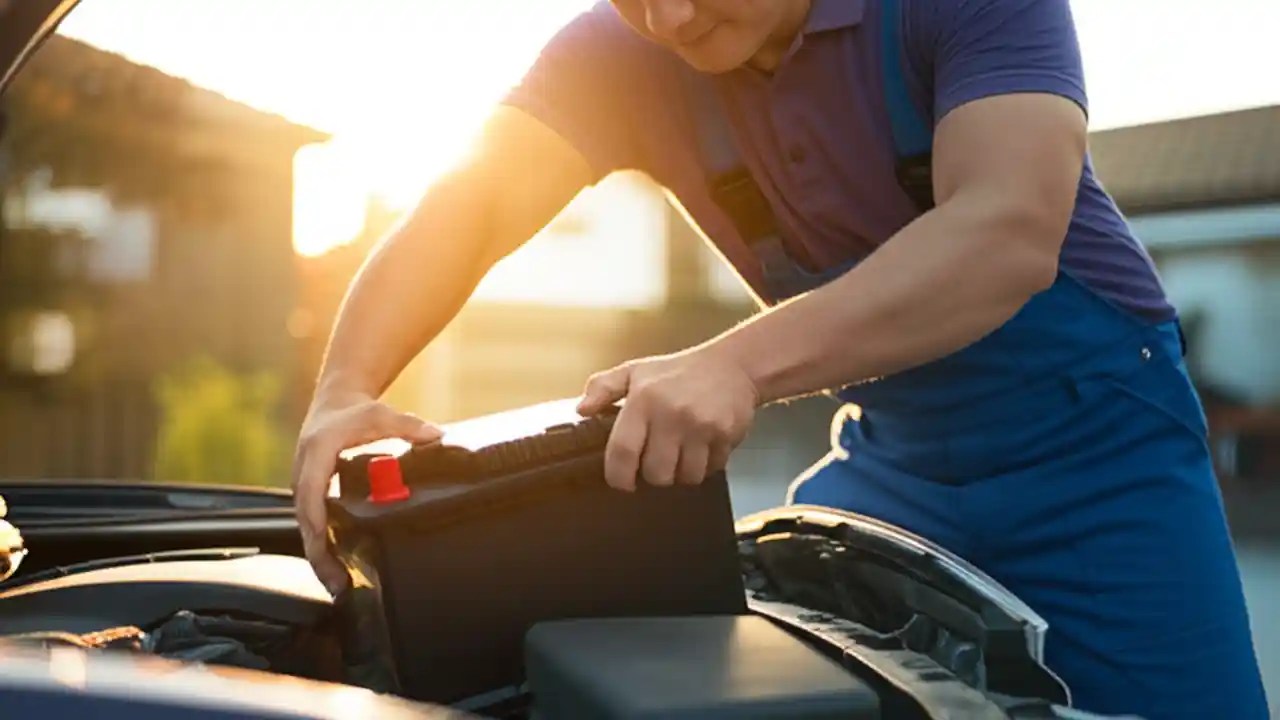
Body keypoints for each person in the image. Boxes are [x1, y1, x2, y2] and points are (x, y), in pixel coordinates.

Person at [291, 1, 1269, 717]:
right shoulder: (617, 50)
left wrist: (737, 364)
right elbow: (468, 207)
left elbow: (1005, 233)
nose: (667, 17)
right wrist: (342, 389)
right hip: (895, 453)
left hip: (1098, 445)